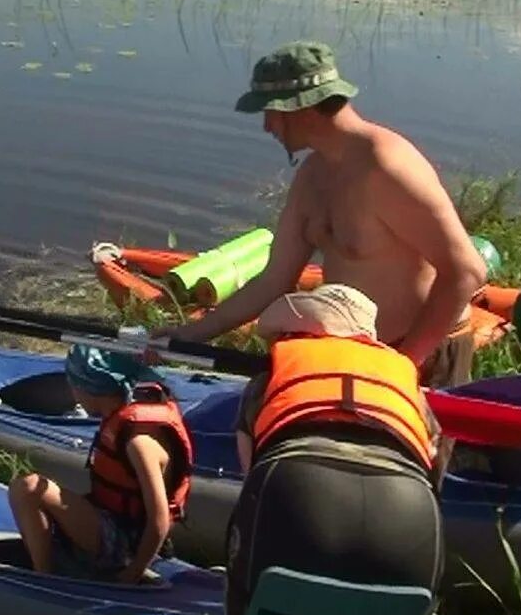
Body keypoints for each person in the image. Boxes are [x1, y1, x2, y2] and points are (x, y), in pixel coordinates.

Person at [213, 285, 440, 615]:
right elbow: (432, 465)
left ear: (301, 334)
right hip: (408, 507)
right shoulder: (408, 385)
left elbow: (252, 474)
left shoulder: (271, 377)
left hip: (296, 488)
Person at [164, 41, 490, 390]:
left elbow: (466, 271)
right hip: (359, 354)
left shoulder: (387, 167)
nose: (266, 126)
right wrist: (188, 335)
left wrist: (405, 362)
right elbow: (274, 280)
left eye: (270, 113)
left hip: (422, 357)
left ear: (300, 108)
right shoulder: (312, 176)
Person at [5, 345, 191, 583]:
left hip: (125, 544)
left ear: (86, 388)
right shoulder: (122, 415)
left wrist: (132, 574)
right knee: (37, 490)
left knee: (28, 488)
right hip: (114, 523)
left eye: (72, 385)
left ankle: (44, 580)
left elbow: (159, 519)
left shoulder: (139, 443)